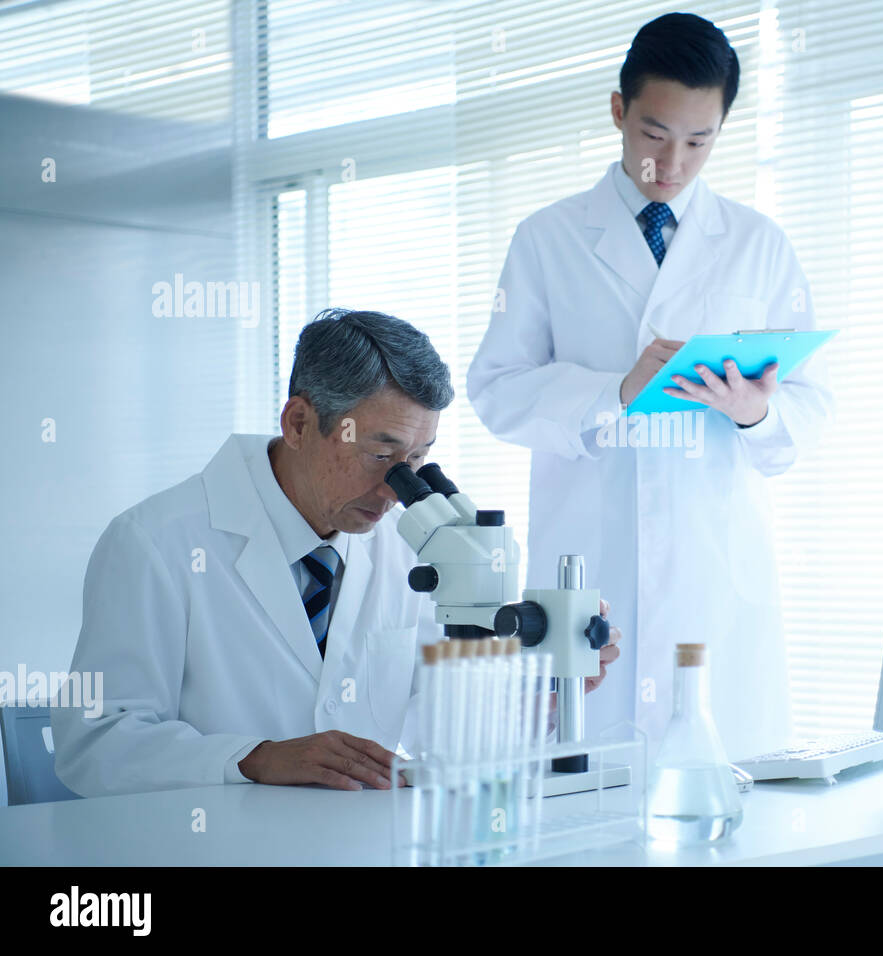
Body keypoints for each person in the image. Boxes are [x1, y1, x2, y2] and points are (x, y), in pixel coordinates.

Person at [53, 308, 621, 797]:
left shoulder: (408, 557)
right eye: (381, 455)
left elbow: (436, 730)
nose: (397, 489)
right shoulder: (156, 542)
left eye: (419, 459)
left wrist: (543, 701)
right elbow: (94, 744)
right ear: (299, 422)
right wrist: (255, 758)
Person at [466, 13, 832, 760]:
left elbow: (812, 403)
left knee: (726, 800)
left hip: (716, 584)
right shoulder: (548, 239)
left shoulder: (759, 245)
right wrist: (614, 393)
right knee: (584, 804)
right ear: (618, 111)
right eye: (654, 134)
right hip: (589, 576)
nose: (672, 163)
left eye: (699, 142)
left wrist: (756, 411)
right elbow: (497, 390)